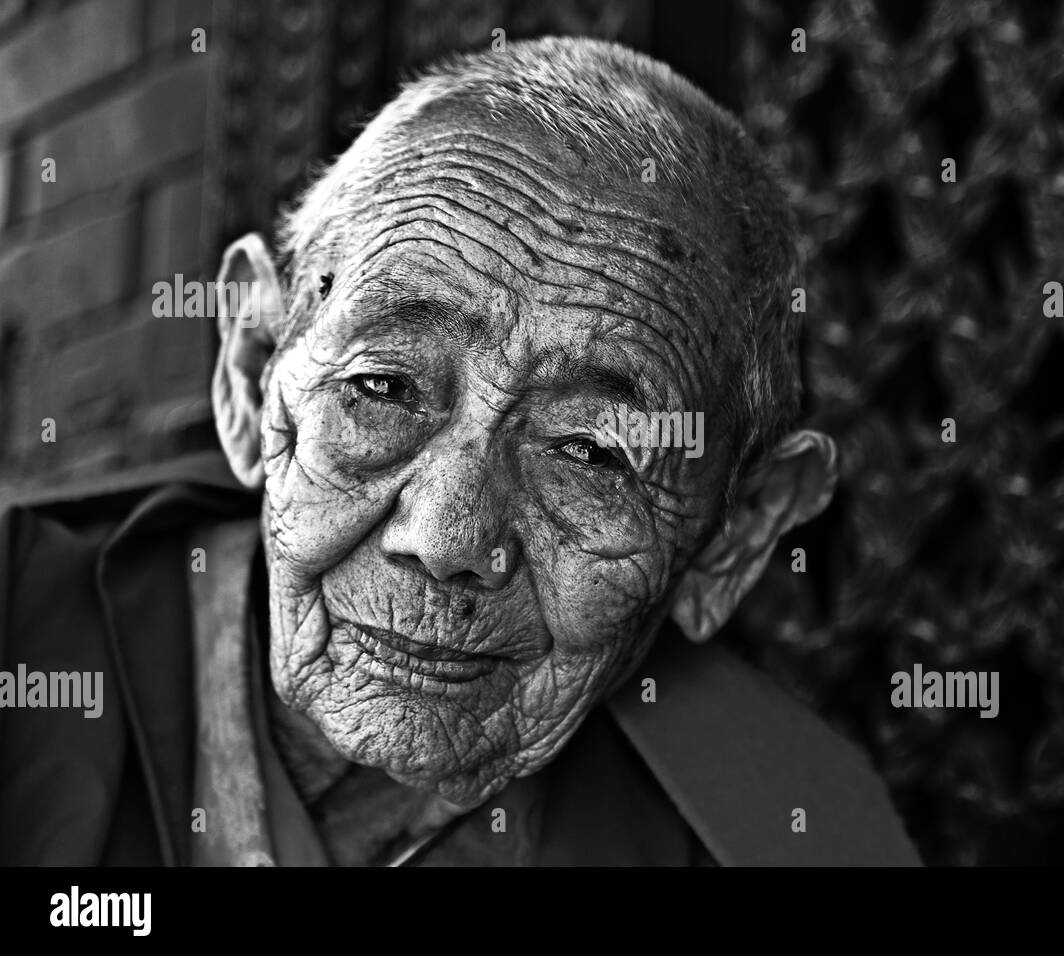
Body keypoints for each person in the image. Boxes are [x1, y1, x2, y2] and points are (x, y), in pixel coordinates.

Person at [0, 37, 917, 866]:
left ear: (739, 530)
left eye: (591, 450)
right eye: (383, 388)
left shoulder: (792, 831)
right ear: (252, 369)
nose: (444, 536)